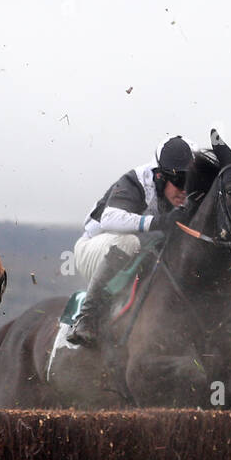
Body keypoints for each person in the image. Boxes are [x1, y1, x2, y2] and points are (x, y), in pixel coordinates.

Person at [69, 136, 195, 347]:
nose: (184, 190)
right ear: (160, 176)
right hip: (93, 248)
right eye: (179, 182)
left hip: (136, 257)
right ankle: (86, 318)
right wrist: (159, 222)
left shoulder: (180, 191)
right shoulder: (136, 181)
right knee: (129, 242)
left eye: (189, 182)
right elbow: (109, 219)